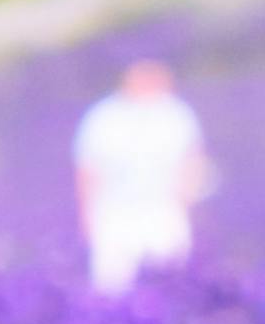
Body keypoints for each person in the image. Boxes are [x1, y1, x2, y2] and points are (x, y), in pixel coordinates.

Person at [73, 58, 210, 295]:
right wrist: (87, 213)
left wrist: (187, 200)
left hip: (163, 208)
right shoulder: (104, 117)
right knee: (112, 286)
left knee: (173, 282)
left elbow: (193, 159)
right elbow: (87, 169)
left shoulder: (175, 113)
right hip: (115, 212)